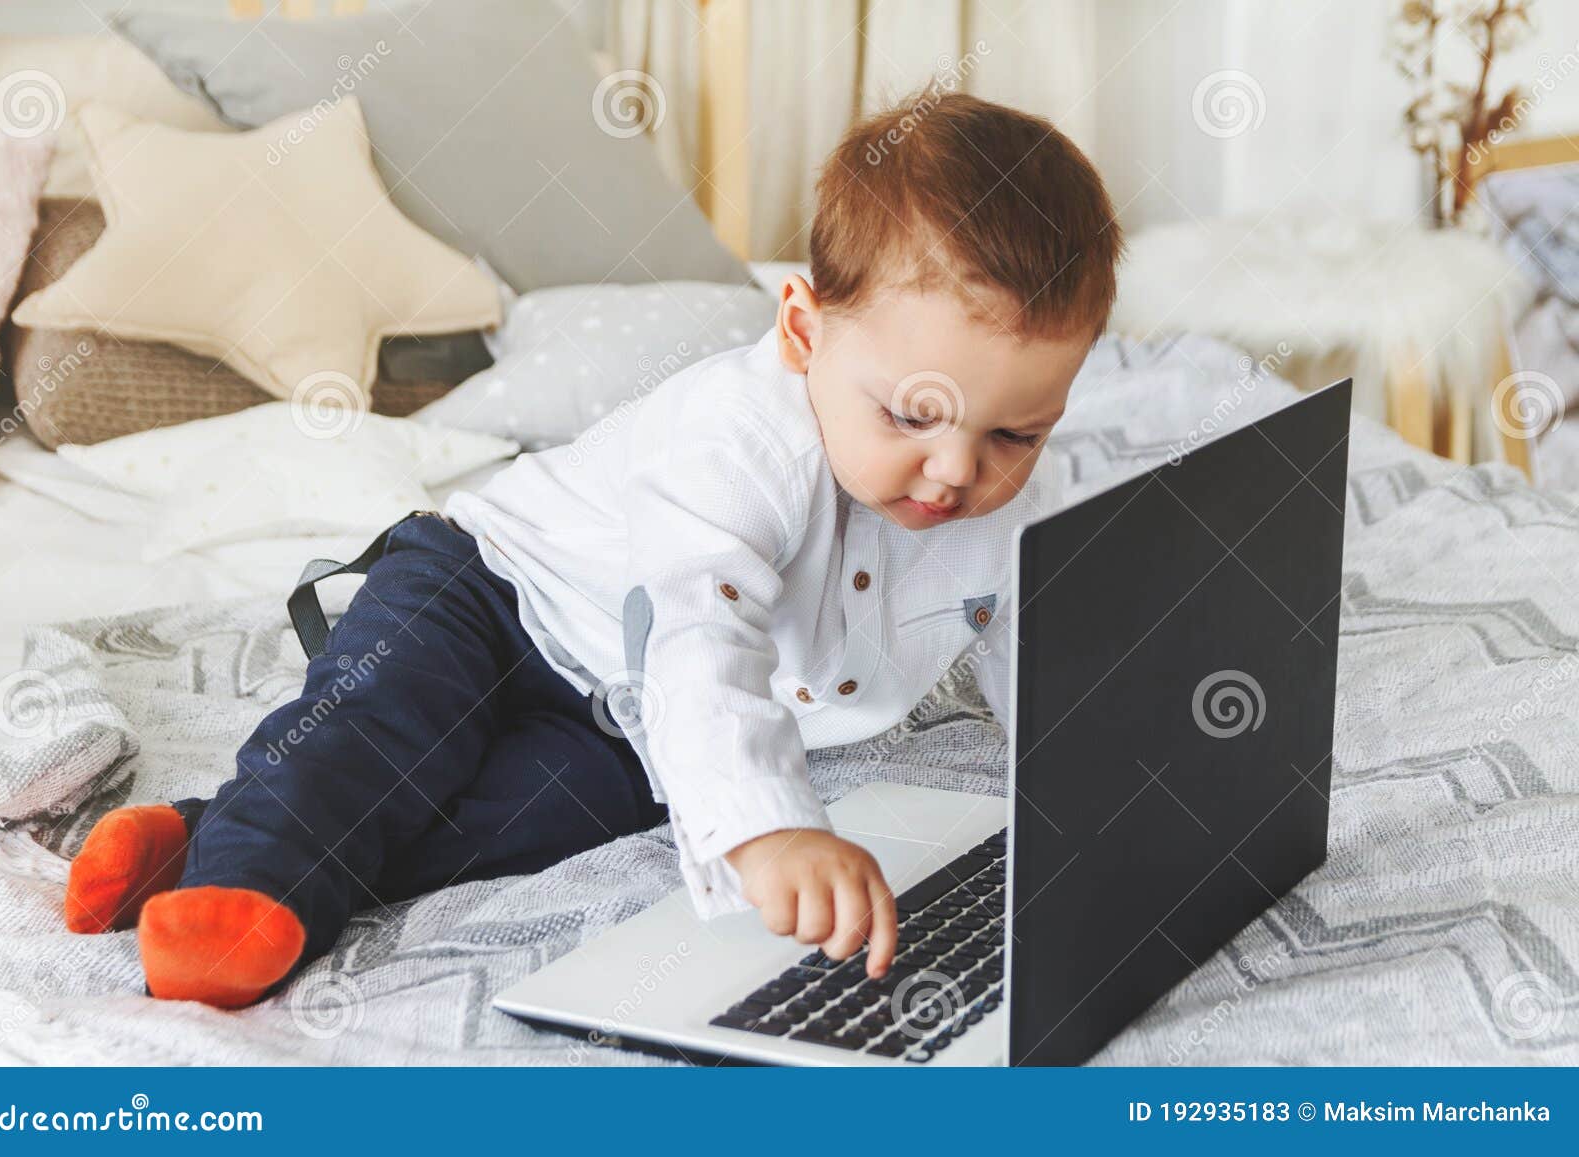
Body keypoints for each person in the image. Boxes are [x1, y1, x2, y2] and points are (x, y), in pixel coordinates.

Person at [62, 87, 1123, 1009]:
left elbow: (1035, 632)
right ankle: (245, 882)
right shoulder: (740, 440)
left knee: (512, 824)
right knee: (380, 730)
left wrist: (1100, 771)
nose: (955, 472)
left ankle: (197, 839)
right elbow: (703, 631)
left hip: (623, 719)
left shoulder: (1003, 493)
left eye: (1013, 433)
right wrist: (766, 826)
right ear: (804, 331)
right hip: (488, 591)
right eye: (910, 417)